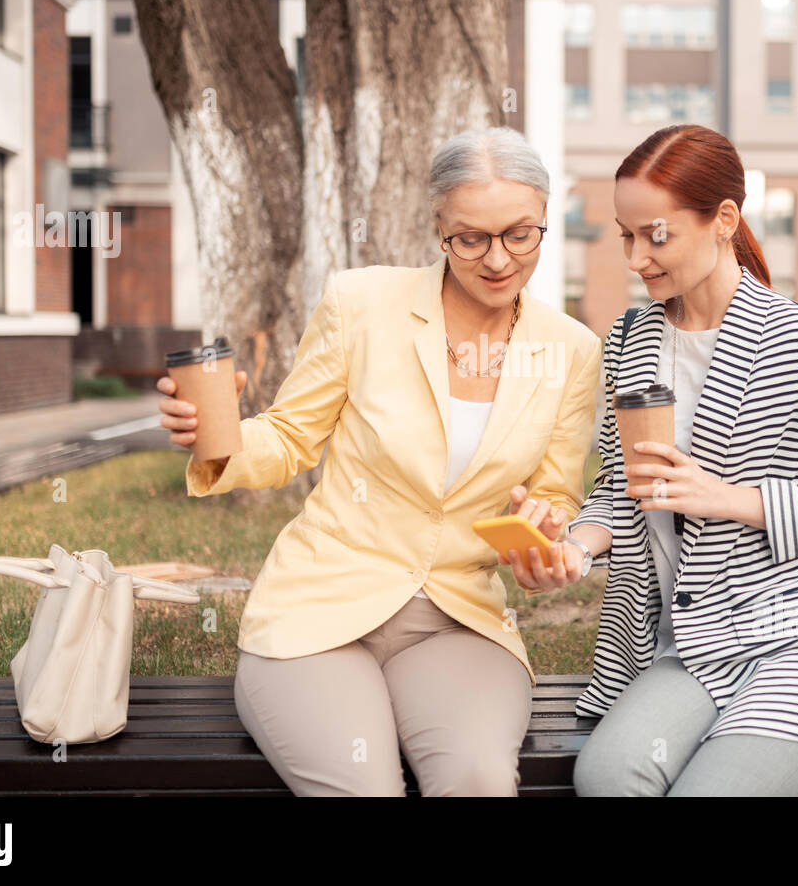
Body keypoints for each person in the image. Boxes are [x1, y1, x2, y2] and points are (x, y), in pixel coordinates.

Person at [156, 126, 603, 795]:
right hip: (321, 613)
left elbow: (558, 496)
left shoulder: (572, 349)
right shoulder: (362, 303)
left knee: (479, 779)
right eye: (470, 238)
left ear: (544, 219)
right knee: (364, 788)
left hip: (457, 621)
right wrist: (215, 440)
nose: (498, 260)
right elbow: (290, 439)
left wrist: (544, 543)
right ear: (438, 229)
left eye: (520, 234)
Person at [551, 124, 798, 796]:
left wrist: (725, 496)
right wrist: (575, 548)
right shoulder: (630, 338)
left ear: (723, 221)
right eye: (624, 235)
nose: (633, 257)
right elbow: (621, 488)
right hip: (698, 641)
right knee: (605, 775)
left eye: (654, 235)